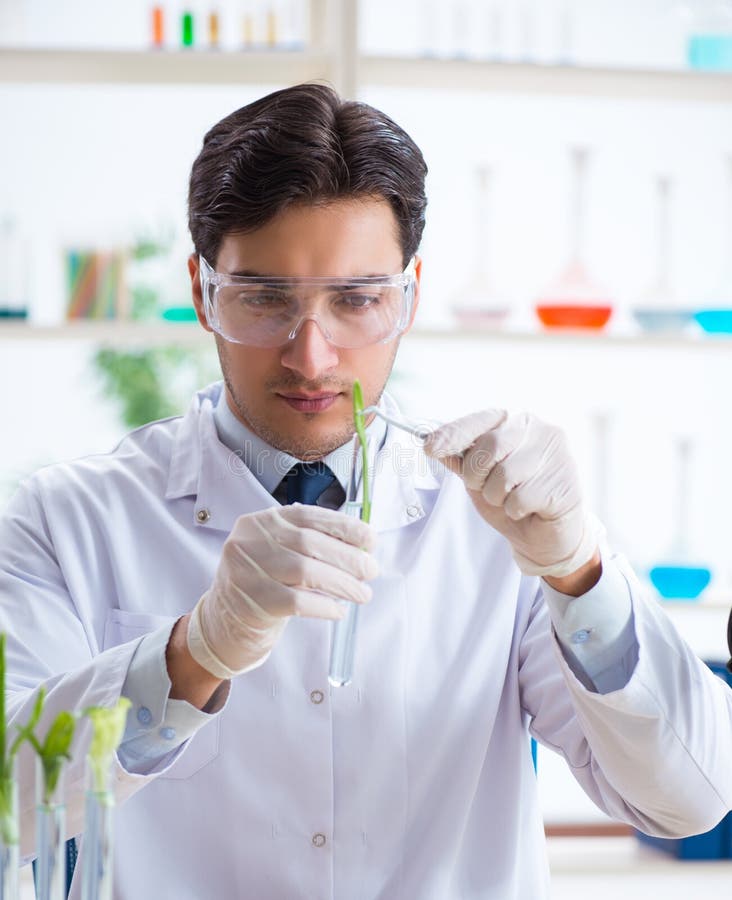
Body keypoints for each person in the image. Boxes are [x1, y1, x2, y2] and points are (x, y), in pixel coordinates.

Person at [1, 83, 730, 900]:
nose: (311, 357)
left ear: (409, 296)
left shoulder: (499, 527)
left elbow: (690, 799)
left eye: (356, 301)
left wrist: (580, 570)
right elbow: (10, 813)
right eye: (264, 299)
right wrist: (191, 654)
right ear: (204, 292)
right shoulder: (67, 520)